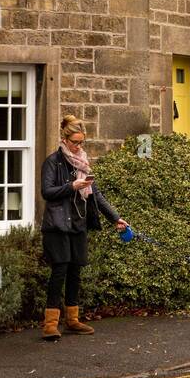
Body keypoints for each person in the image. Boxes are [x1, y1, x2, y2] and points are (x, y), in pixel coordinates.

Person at [38, 115, 128, 340]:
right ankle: (50, 324)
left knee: (75, 272)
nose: (79, 147)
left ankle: (72, 320)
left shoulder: (84, 163)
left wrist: (116, 218)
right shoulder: (53, 161)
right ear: (64, 139)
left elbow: (96, 195)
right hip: (57, 226)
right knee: (59, 272)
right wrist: (71, 186)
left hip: (78, 224)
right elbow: (46, 192)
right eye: (75, 142)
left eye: (81, 142)